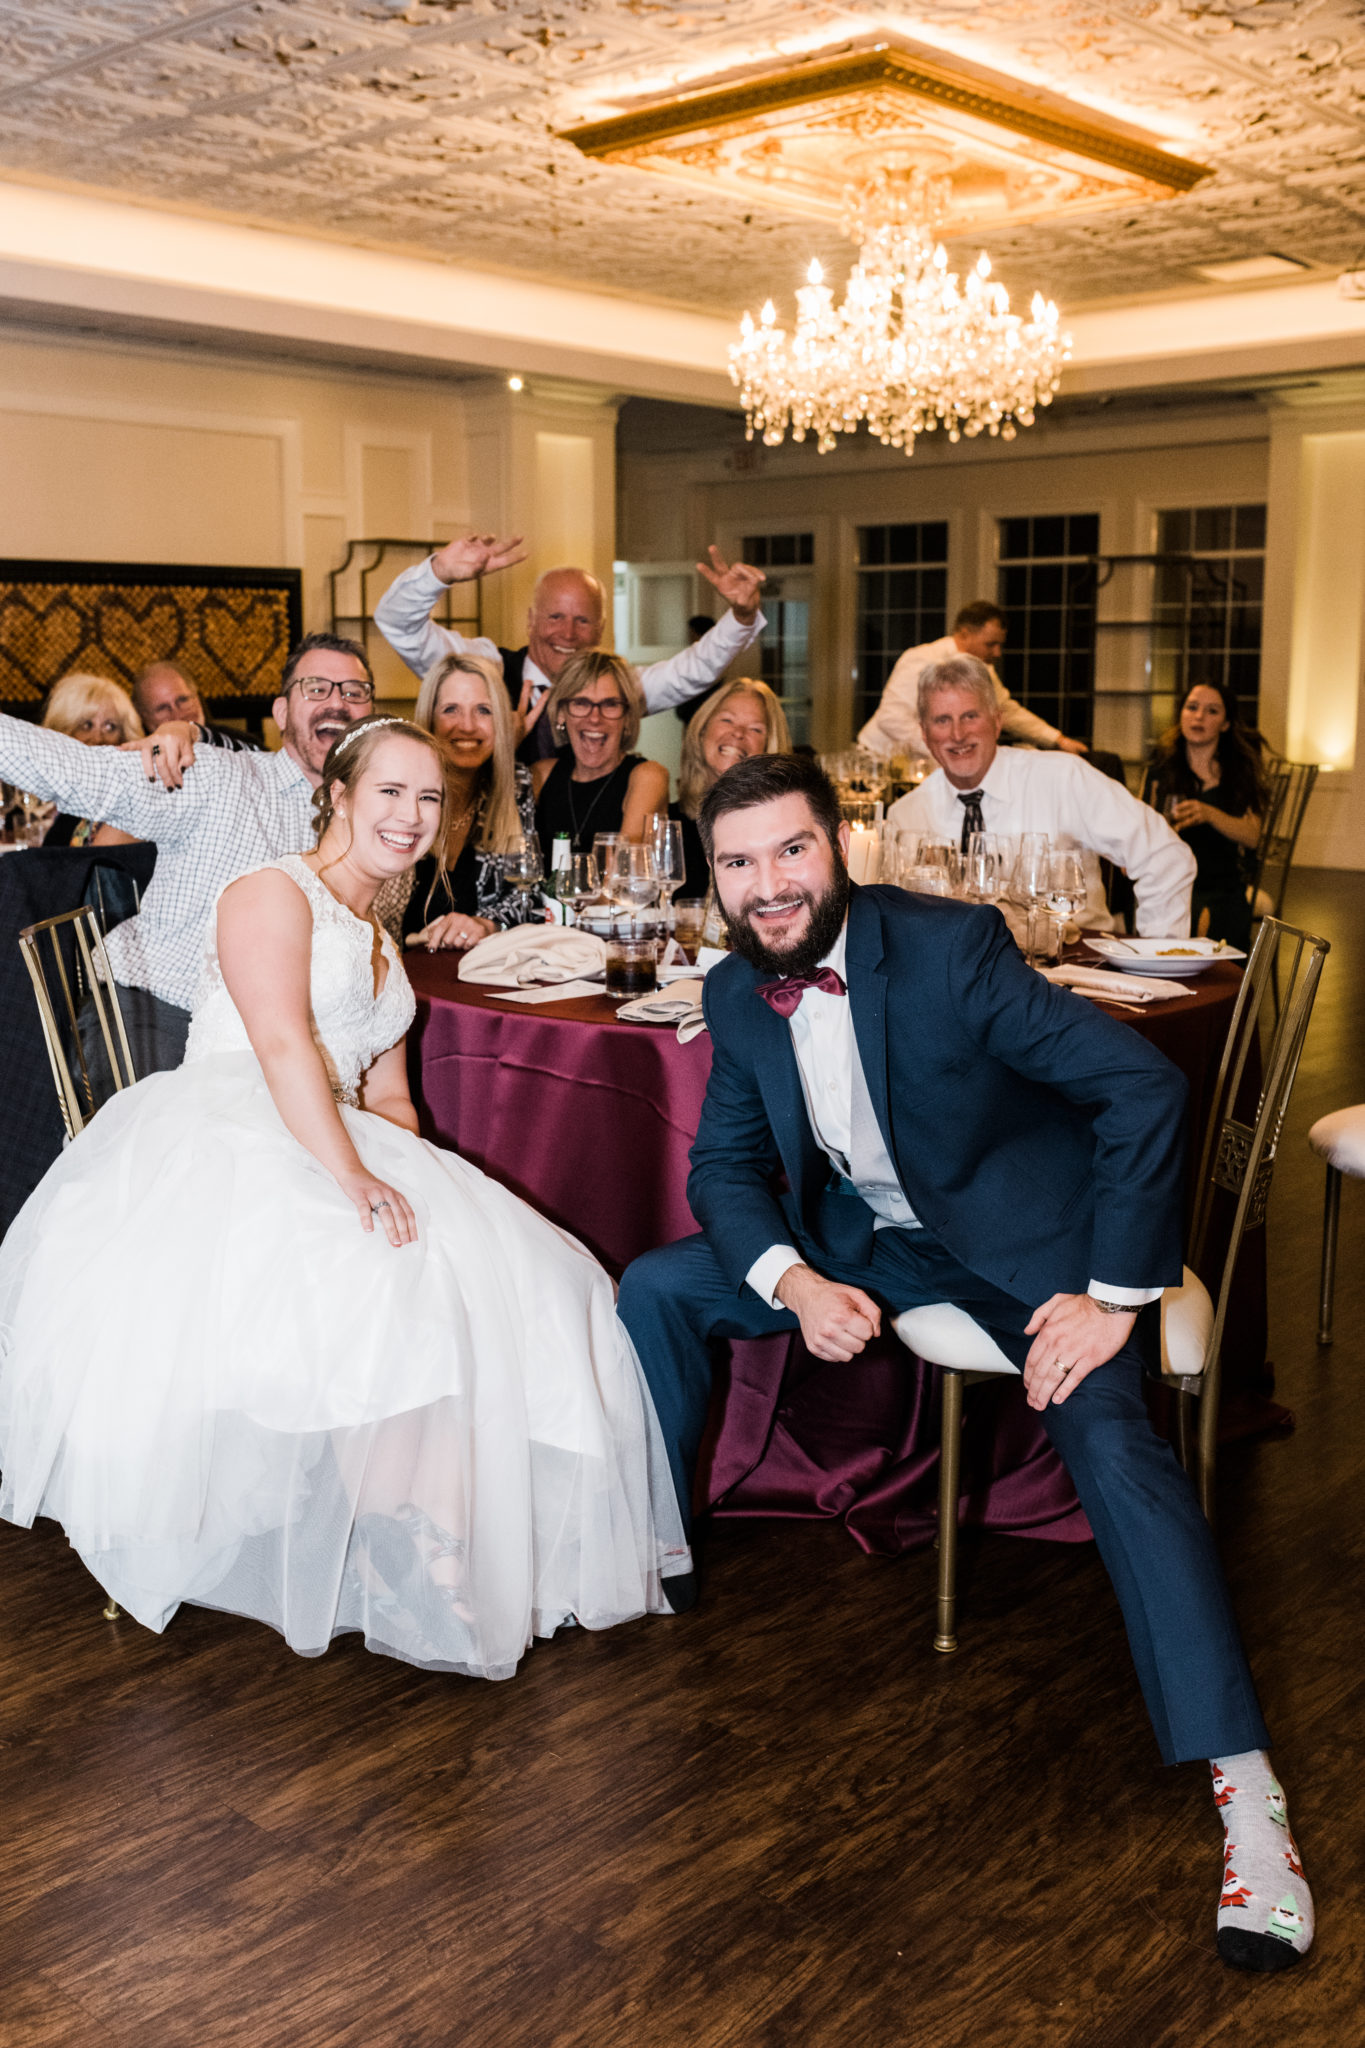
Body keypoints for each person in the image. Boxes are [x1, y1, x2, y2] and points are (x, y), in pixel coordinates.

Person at [617, 751, 1313, 1974]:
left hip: (1026, 1252)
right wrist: (792, 1277)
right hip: (871, 1246)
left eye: (791, 850)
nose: (769, 885)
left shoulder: (951, 947)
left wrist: (1108, 1297)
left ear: (839, 845)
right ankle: (661, 1541)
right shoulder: (736, 990)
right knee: (657, 1286)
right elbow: (725, 1167)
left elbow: (1142, 1088)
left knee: (1116, 1448)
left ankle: (1245, 1786)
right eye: (738, 863)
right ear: (713, 882)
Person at [0, 714, 688, 1676]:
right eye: (389, 793)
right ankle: (403, 1521)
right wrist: (355, 1175)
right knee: (389, 1277)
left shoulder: (376, 930)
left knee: (534, 1276)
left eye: (428, 798)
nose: (409, 816)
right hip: (234, 1128)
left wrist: (418, 1179)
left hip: (341, 1134)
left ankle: (424, 1521)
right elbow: (282, 1048)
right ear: (338, 795)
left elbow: (391, 1094)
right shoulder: (268, 892)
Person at [0, 632, 375, 1071]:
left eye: (354, 691)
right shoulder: (216, 776)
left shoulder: (378, 816)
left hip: (289, 1035)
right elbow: (83, 774)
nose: (337, 702)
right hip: (163, 1009)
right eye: (316, 688)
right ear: (281, 711)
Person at [373, 533, 767, 761]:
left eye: (582, 620)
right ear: (530, 620)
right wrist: (438, 572)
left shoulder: (616, 690)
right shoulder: (485, 671)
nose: (568, 634)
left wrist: (742, 615)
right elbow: (398, 625)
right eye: (555, 617)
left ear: (600, 629)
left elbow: (693, 670)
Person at [886, 657, 1195, 937]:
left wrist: (1157, 959)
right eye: (942, 720)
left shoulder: (1062, 778)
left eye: (970, 716)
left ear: (997, 720)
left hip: (1075, 968)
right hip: (962, 986)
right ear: (924, 733)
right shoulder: (906, 816)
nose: (957, 734)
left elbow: (1165, 855)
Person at [378, 651, 537, 954]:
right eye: (451, 709)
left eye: (483, 711)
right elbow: (362, 908)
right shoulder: (395, 788)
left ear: (500, 721)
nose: (467, 726)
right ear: (429, 718)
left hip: (482, 978)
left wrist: (487, 924)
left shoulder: (516, 786)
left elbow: (527, 893)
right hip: (397, 974)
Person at [858, 601, 1090, 761]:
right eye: (990, 644)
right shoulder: (921, 658)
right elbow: (891, 719)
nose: (997, 653)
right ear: (965, 633)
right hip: (879, 759)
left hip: (925, 762)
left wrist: (1057, 739)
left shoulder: (983, 669)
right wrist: (946, 749)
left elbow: (1007, 711)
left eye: (1000, 644)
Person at [1143, 680, 1265, 951]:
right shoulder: (1161, 769)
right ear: (1181, 715)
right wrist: (1164, 830)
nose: (1199, 716)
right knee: (1163, 904)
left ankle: (1220, 989)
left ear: (1226, 723)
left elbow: (1254, 837)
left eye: (1212, 711)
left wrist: (1209, 813)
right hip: (1170, 879)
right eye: (1192, 708)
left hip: (1219, 882)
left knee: (1210, 914)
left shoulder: (1238, 772)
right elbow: (1141, 830)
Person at [532, 653, 668, 865]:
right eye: (581, 703)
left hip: (614, 900)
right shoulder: (541, 775)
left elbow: (623, 874)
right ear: (560, 713)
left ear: (627, 718)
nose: (595, 718)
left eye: (610, 704)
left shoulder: (647, 776)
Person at [672, 677, 791, 894]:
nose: (738, 733)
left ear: (768, 747)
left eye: (755, 729)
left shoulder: (783, 830)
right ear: (701, 730)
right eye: (727, 720)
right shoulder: (668, 825)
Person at [40, 673, 143, 849]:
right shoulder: (65, 796)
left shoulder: (127, 803)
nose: (98, 738)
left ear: (125, 738)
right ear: (63, 731)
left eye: (110, 727)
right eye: (86, 725)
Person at [133, 661, 264, 752]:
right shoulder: (137, 762)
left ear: (196, 698)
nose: (178, 715)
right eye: (162, 708)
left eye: (183, 700)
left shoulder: (244, 745)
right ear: (145, 718)